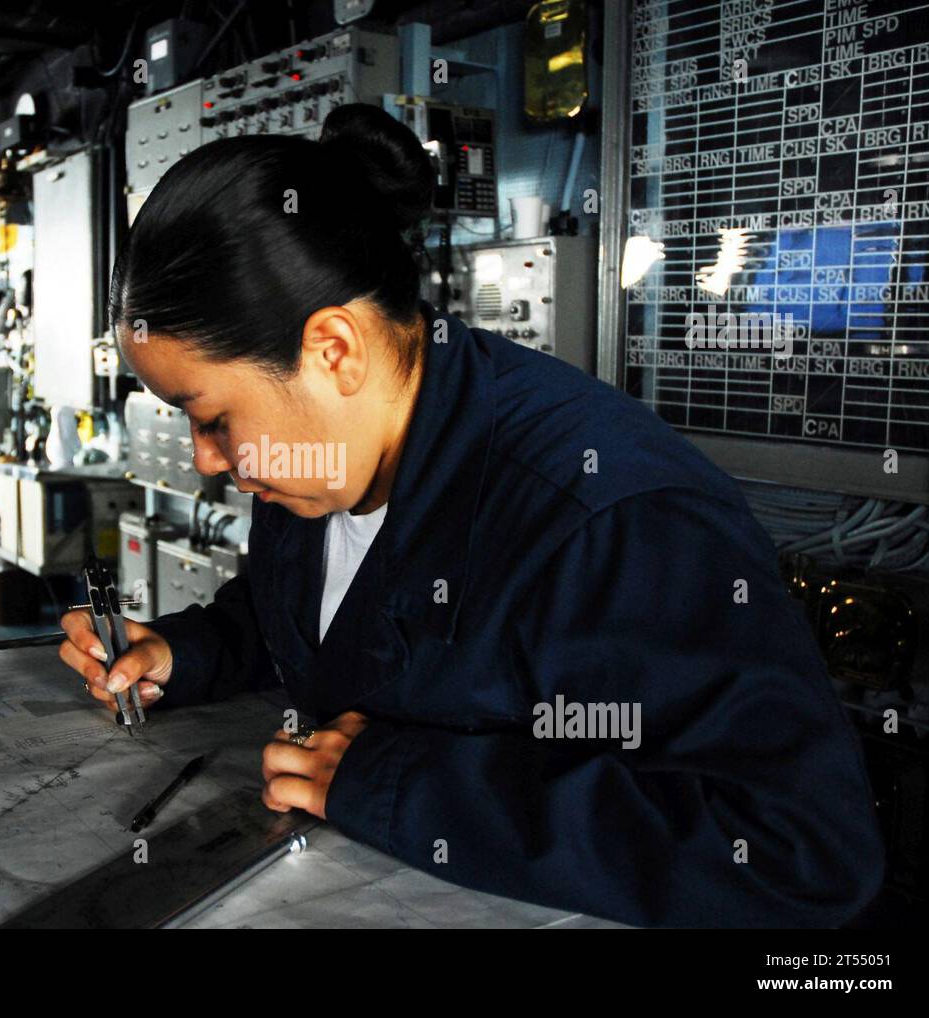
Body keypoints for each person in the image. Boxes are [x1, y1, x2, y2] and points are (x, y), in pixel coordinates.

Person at [58, 104, 885, 928]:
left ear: (333, 350)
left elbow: (798, 849)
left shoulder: (606, 516)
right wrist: (189, 652)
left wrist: (401, 787)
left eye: (210, 417)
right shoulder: (317, 462)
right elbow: (326, 620)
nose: (206, 460)